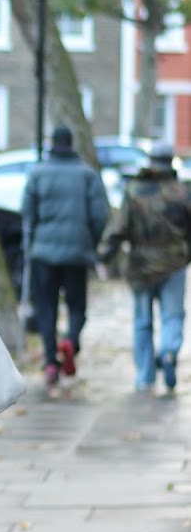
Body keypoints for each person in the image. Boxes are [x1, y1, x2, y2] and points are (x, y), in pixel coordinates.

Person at [97, 142, 191, 393]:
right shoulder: (183, 191)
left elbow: (118, 229)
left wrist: (104, 257)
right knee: (173, 315)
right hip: (174, 264)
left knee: (142, 321)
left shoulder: (134, 190)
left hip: (140, 266)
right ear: (171, 160)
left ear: (150, 160)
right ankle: (168, 351)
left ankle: (145, 377)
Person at [21, 124, 110, 386]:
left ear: (52, 143)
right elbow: (100, 215)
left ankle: (51, 361)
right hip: (76, 253)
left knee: (46, 307)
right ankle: (70, 340)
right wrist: (90, 242)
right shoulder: (88, 175)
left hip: (44, 254)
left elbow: (27, 213)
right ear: (72, 144)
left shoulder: (38, 173)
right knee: (77, 305)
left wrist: (33, 242)